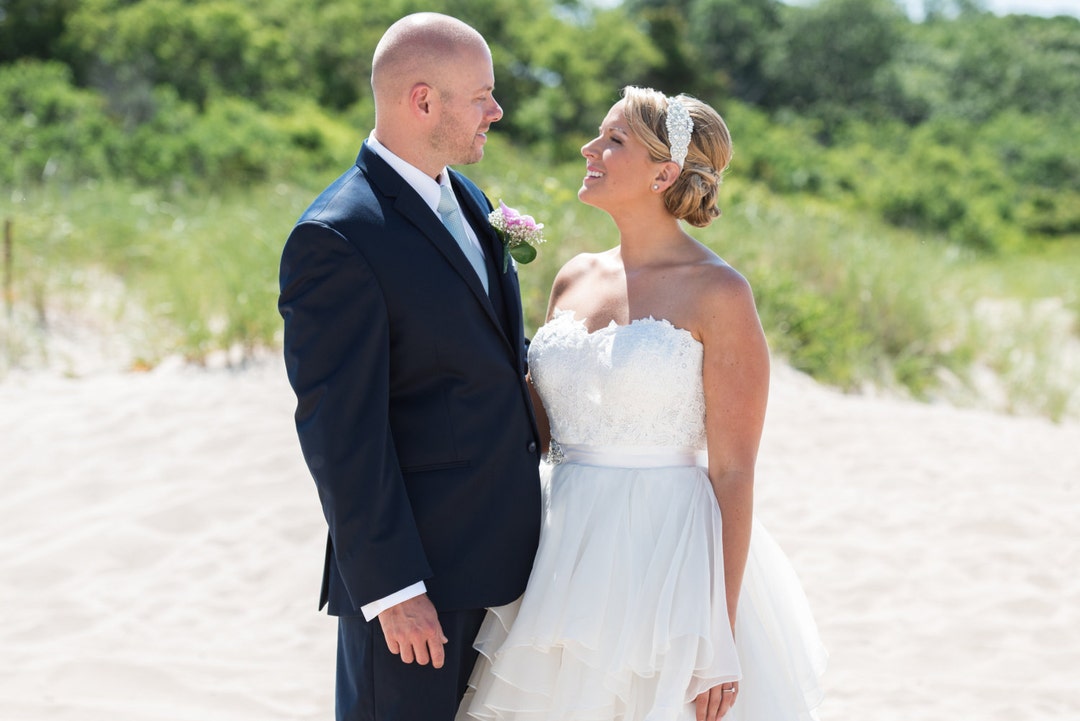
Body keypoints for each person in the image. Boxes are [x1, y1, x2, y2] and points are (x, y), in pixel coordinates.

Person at [456, 87, 826, 721]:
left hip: (664, 557)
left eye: (613, 140)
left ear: (665, 172)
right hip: (557, 548)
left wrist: (717, 633)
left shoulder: (720, 293)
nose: (589, 149)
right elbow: (533, 429)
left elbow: (733, 471)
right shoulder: (573, 277)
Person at [277, 13, 543, 721]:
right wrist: (394, 589)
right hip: (419, 587)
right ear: (423, 101)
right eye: (482, 95)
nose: (497, 110)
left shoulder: (471, 200)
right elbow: (340, 432)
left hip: (504, 567)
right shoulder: (337, 237)